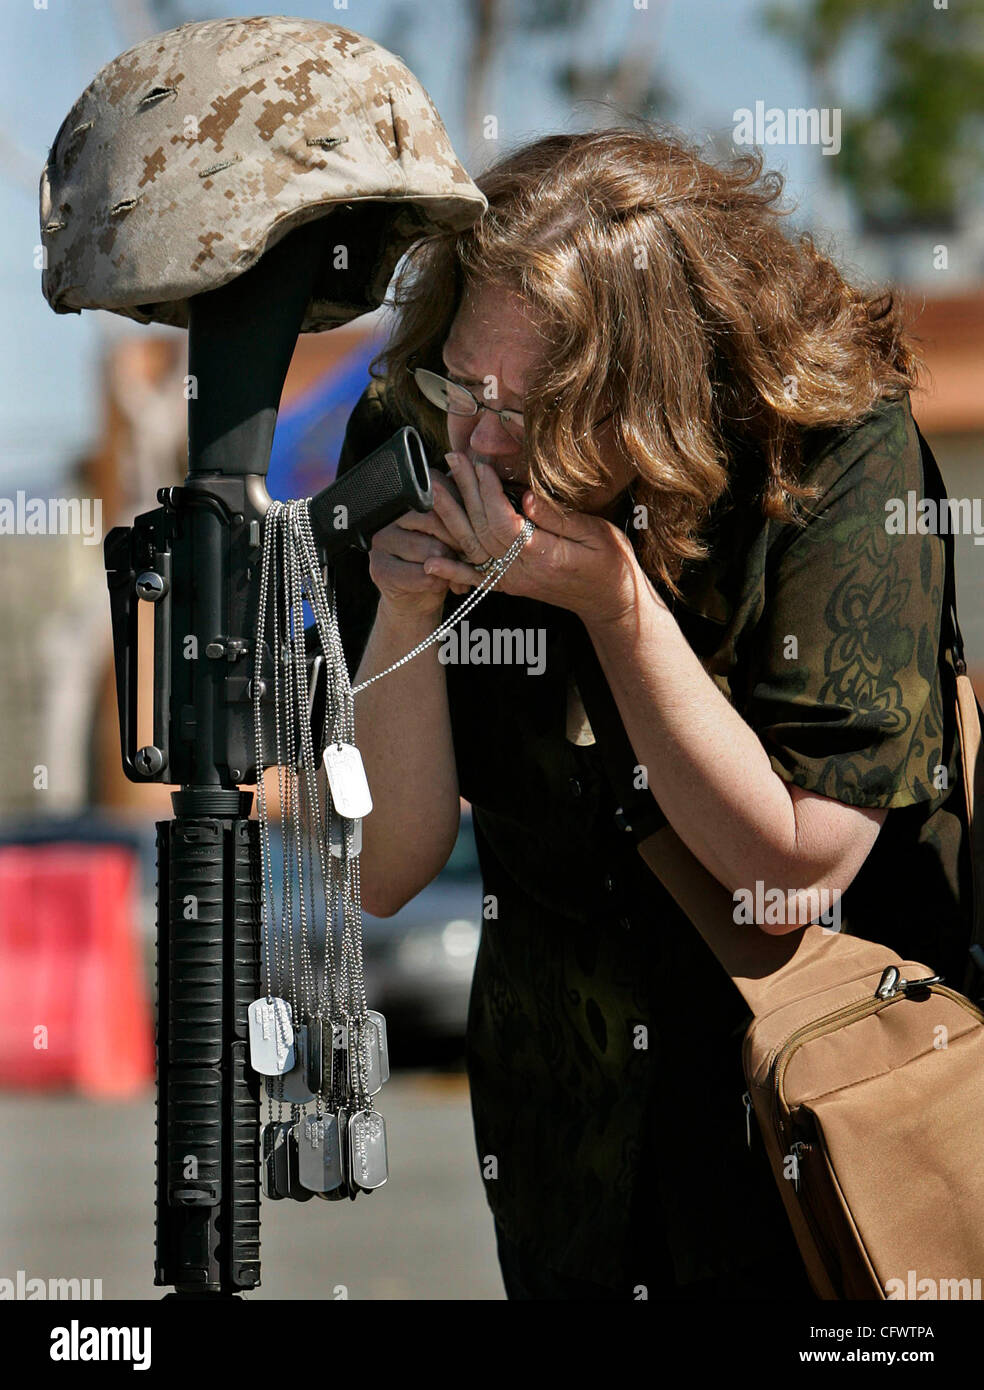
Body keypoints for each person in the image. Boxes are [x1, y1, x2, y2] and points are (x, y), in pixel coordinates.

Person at [326, 125, 972, 1300]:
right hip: (565, 1135)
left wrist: (616, 610)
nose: (480, 437)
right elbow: (383, 865)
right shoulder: (424, 439)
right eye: (464, 383)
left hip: (826, 1112)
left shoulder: (832, 455)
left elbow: (796, 866)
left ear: (657, 389)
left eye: (532, 407)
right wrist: (403, 615)